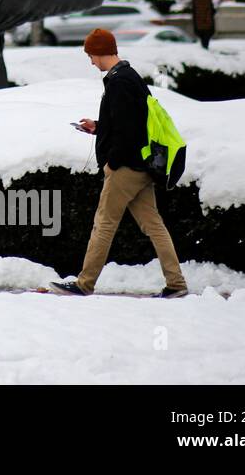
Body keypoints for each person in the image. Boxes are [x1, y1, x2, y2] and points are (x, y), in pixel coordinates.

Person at [51, 28, 189, 298]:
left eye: (91, 55)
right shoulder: (128, 76)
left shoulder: (119, 81)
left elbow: (128, 131)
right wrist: (98, 127)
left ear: (101, 53)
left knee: (104, 224)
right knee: (154, 224)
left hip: (126, 168)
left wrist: (113, 163)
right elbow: (129, 123)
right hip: (141, 166)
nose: (91, 61)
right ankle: (176, 284)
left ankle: (84, 284)